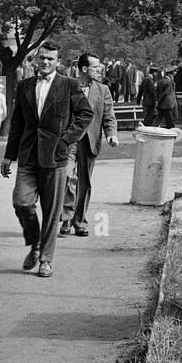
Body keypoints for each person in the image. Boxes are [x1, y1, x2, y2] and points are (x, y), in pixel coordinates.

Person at [0, 41, 95, 279]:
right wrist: (8, 155)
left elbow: (86, 114)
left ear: (57, 62)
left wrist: (66, 141)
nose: (45, 62)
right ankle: (34, 243)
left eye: (50, 59)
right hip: (28, 155)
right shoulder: (24, 86)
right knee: (21, 202)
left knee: (51, 211)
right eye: (42, 58)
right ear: (35, 59)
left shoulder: (70, 85)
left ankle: (45, 260)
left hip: (56, 156)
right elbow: (18, 123)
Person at [60, 53, 117, 237]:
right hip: (69, 140)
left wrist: (111, 135)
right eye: (96, 67)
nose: (100, 70)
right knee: (67, 177)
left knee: (85, 183)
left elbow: (108, 116)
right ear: (84, 69)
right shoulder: (68, 86)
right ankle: (67, 216)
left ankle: (79, 222)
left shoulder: (103, 90)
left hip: (90, 142)